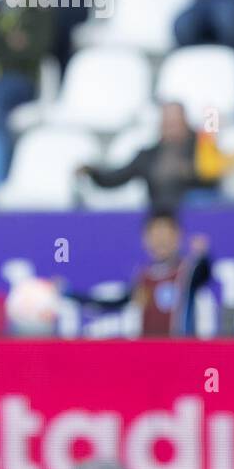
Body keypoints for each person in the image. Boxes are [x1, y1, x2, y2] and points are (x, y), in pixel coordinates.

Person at [66, 213, 214, 338]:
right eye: (156, 236)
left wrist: (203, 256)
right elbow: (111, 302)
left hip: (181, 356)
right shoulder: (143, 278)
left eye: (167, 236)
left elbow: (204, 271)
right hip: (148, 357)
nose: (161, 241)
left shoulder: (188, 273)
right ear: (145, 239)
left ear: (178, 237)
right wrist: (68, 294)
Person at [78, 101, 217, 213]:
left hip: (199, 217)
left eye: (175, 123)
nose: (171, 129)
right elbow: (115, 178)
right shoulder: (148, 156)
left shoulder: (203, 150)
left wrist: (191, 173)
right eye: (167, 124)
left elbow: (215, 179)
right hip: (159, 221)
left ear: (185, 123)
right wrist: (92, 172)